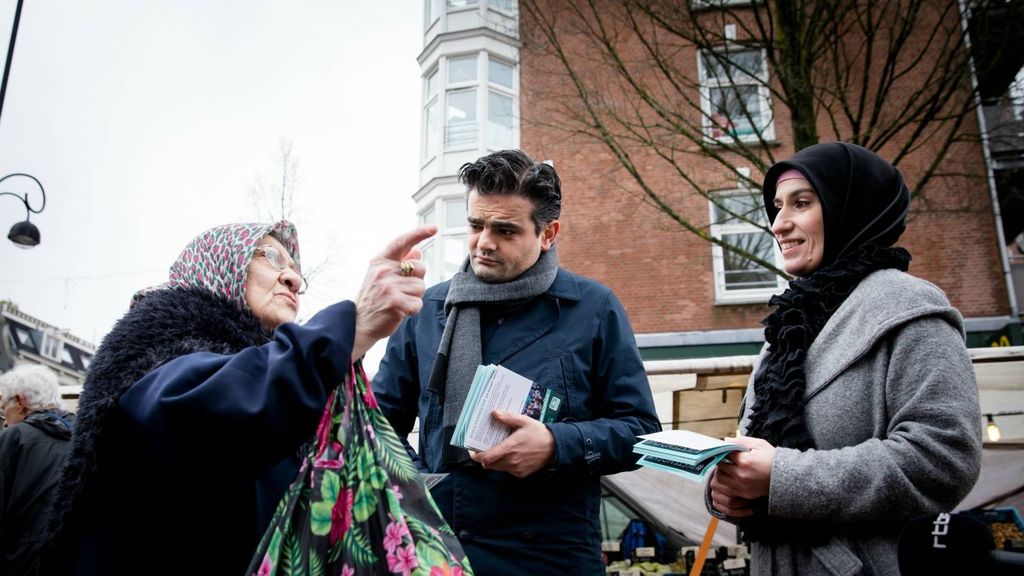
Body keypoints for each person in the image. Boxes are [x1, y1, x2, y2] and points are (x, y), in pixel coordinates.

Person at [36, 220, 435, 576]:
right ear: (218, 262)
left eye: (296, 271)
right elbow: (215, 413)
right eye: (272, 258)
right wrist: (353, 325)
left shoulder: (271, 378)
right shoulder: (154, 350)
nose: (292, 279)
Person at [372, 149, 661, 575]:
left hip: (550, 556)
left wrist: (554, 445)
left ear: (548, 233)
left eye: (505, 230)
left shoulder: (594, 308)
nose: (484, 242)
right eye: (475, 225)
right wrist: (419, 485)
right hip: (439, 549)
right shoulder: (428, 309)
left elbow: (641, 431)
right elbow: (376, 425)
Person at [705, 142, 983, 575]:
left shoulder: (910, 307)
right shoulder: (788, 325)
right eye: (776, 207)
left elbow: (943, 459)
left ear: (848, 207)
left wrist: (783, 476)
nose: (779, 224)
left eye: (801, 203)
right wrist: (731, 493)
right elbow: (761, 450)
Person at [0, 364, 75, 575]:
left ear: (20, 401)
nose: (5, 422)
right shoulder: (83, 438)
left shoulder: (15, 437)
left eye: (4, 410)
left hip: (17, 562)